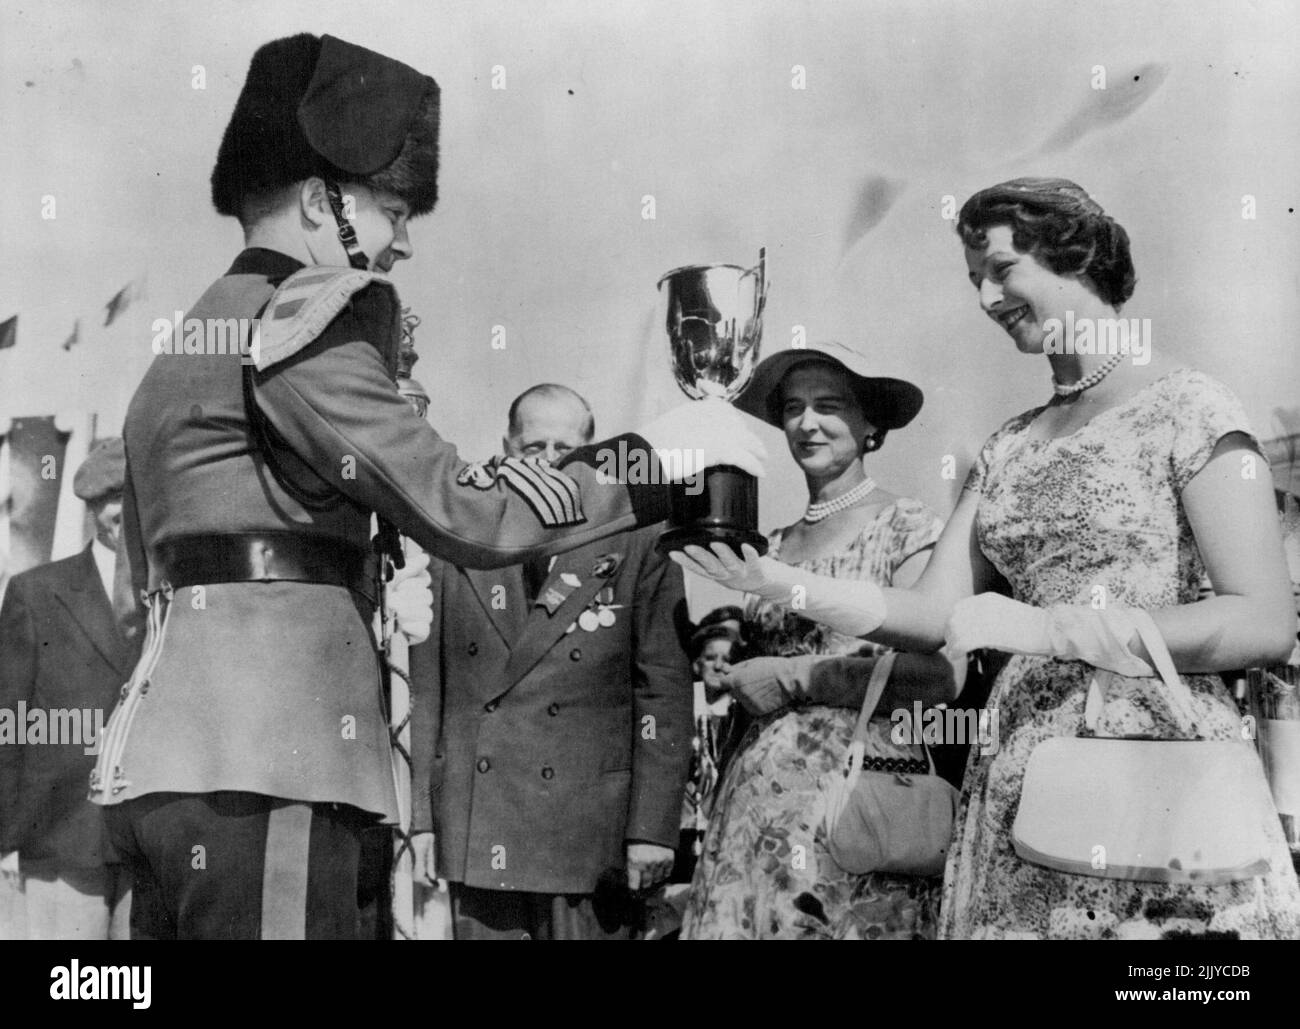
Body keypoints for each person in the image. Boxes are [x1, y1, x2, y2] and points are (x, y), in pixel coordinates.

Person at [94, 33, 762, 940]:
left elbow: (146, 568)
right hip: (279, 766)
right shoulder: (309, 321)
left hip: (166, 768)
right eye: (392, 209)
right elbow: (467, 509)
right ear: (317, 197)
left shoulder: (177, 352)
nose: (402, 241)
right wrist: (658, 477)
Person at [677, 178, 1300, 939]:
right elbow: (937, 614)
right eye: (975, 277)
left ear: (1079, 258)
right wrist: (784, 581)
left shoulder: (1192, 407)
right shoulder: (1009, 444)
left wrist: (1054, 631)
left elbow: (1264, 620)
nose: (985, 296)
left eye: (1003, 269)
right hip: (1018, 776)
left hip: (1154, 768)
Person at [680, 341, 962, 939]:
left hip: (854, 808)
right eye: (793, 408)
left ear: (869, 426)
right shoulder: (774, 544)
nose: (807, 423)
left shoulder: (907, 527)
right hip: (755, 812)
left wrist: (795, 677)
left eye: (828, 406)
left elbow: (941, 676)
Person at [410, 383, 692, 940]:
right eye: (531, 448)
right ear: (507, 448)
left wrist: (653, 829)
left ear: (592, 454)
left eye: (563, 449)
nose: (546, 462)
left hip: (591, 837)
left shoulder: (642, 543)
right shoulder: (458, 542)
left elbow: (663, 692)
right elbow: (427, 693)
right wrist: (422, 819)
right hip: (480, 830)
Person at [0, 438, 141, 939]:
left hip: (149, 841)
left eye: (135, 496)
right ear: (89, 506)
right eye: (109, 499)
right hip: (61, 831)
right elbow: (10, 721)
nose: (122, 513)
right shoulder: (36, 593)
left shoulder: (179, 596)